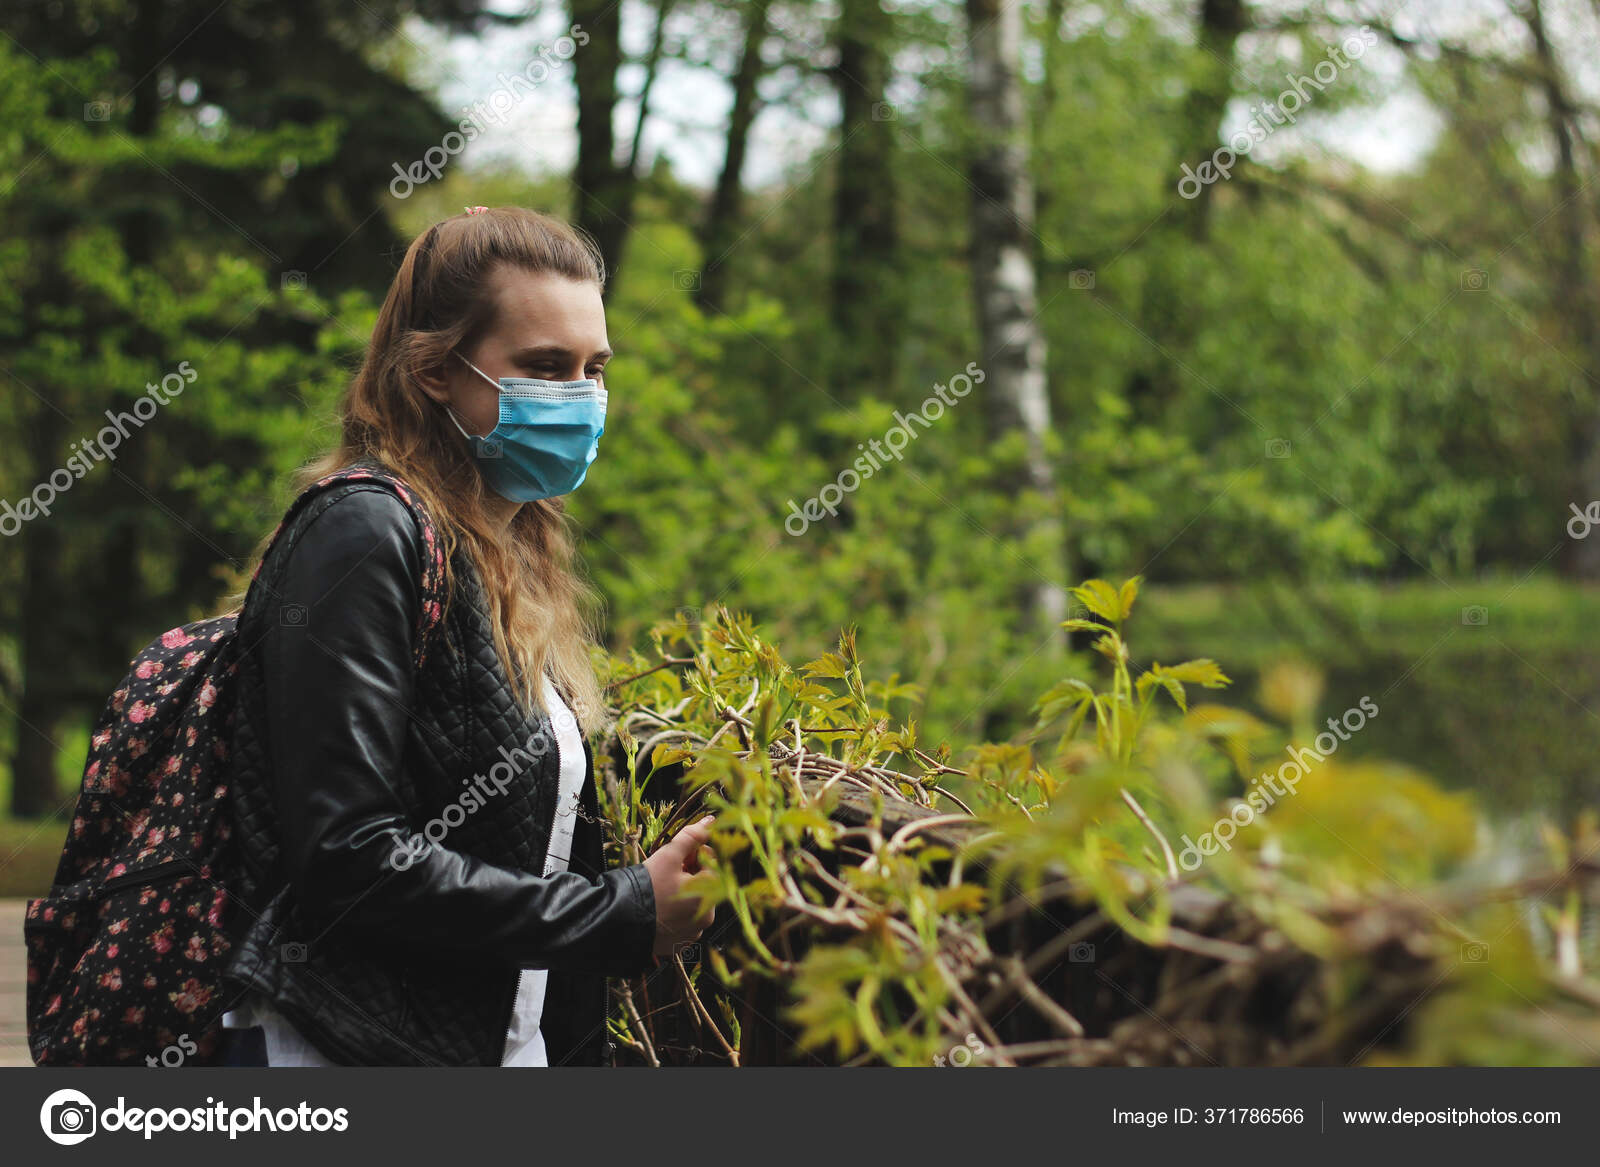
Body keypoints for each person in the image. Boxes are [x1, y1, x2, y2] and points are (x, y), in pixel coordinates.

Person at [216, 205, 715, 1066]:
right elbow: (346, 856)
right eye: (544, 366)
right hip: (340, 1045)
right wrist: (624, 912)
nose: (581, 398)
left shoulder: (510, 550)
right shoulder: (366, 533)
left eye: (595, 368)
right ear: (437, 370)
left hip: (482, 1044)